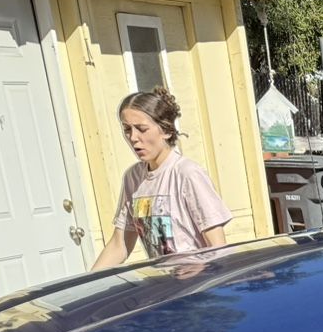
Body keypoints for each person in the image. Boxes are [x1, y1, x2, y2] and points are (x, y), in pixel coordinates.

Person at [92, 88, 233, 269]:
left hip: (197, 288)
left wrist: (202, 268)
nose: (133, 137)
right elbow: (120, 245)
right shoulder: (133, 178)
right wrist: (86, 285)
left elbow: (218, 247)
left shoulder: (187, 174)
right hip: (162, 286)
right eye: (127, 129)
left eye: (141, 129)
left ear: (166, 130)